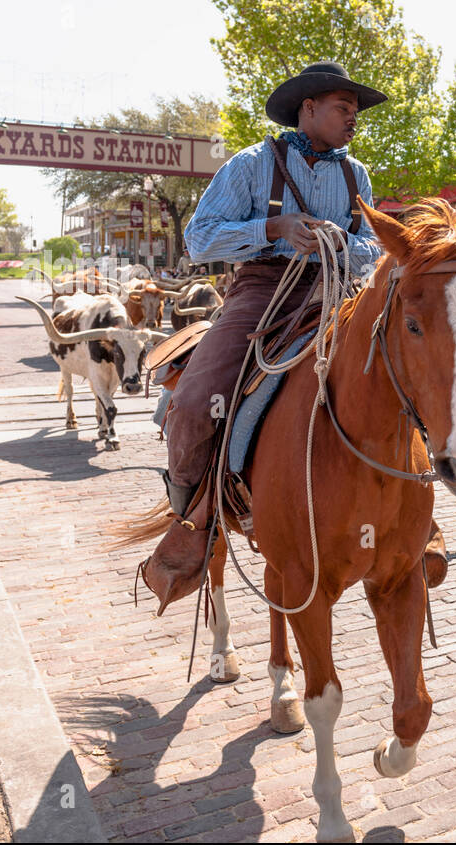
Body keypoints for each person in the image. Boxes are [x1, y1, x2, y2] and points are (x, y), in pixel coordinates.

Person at [139, 61, 387, 610]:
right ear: (309, 109)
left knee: (409, 374)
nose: (353, 121)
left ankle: (409, 517)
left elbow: (375, 247)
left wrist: (341, 246)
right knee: (195, 404)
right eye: (344, 110)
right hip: (263, 294)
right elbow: (200, 241)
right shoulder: (252, 164)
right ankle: (193, 520)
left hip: (337, 294)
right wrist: (274, 229)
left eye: (355, 112)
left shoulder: (357, 176)